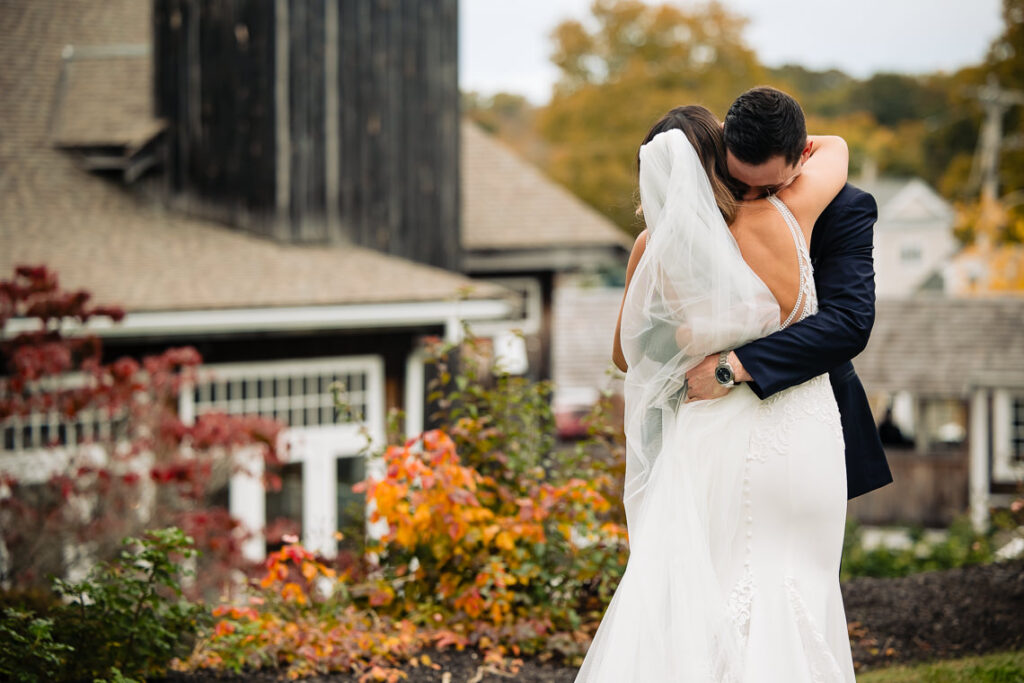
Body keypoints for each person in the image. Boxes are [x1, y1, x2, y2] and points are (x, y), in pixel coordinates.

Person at [577, 101, 857, 682]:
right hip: (806, 437)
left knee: (720, 597)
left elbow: (626, 355)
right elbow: (833, 148)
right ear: (722, 159)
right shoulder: (790, 210)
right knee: (803, 587)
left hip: (717, 443)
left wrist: (686, 336)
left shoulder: (653, 250)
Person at [684, 86, 893, 503]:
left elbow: (848, 324)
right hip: (705, 426)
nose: (750, 198)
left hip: (806, 422)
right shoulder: (696, 196)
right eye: (739, 183)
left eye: (770, 188)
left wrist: (733, 366)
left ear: (803, 156)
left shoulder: (845, 208)